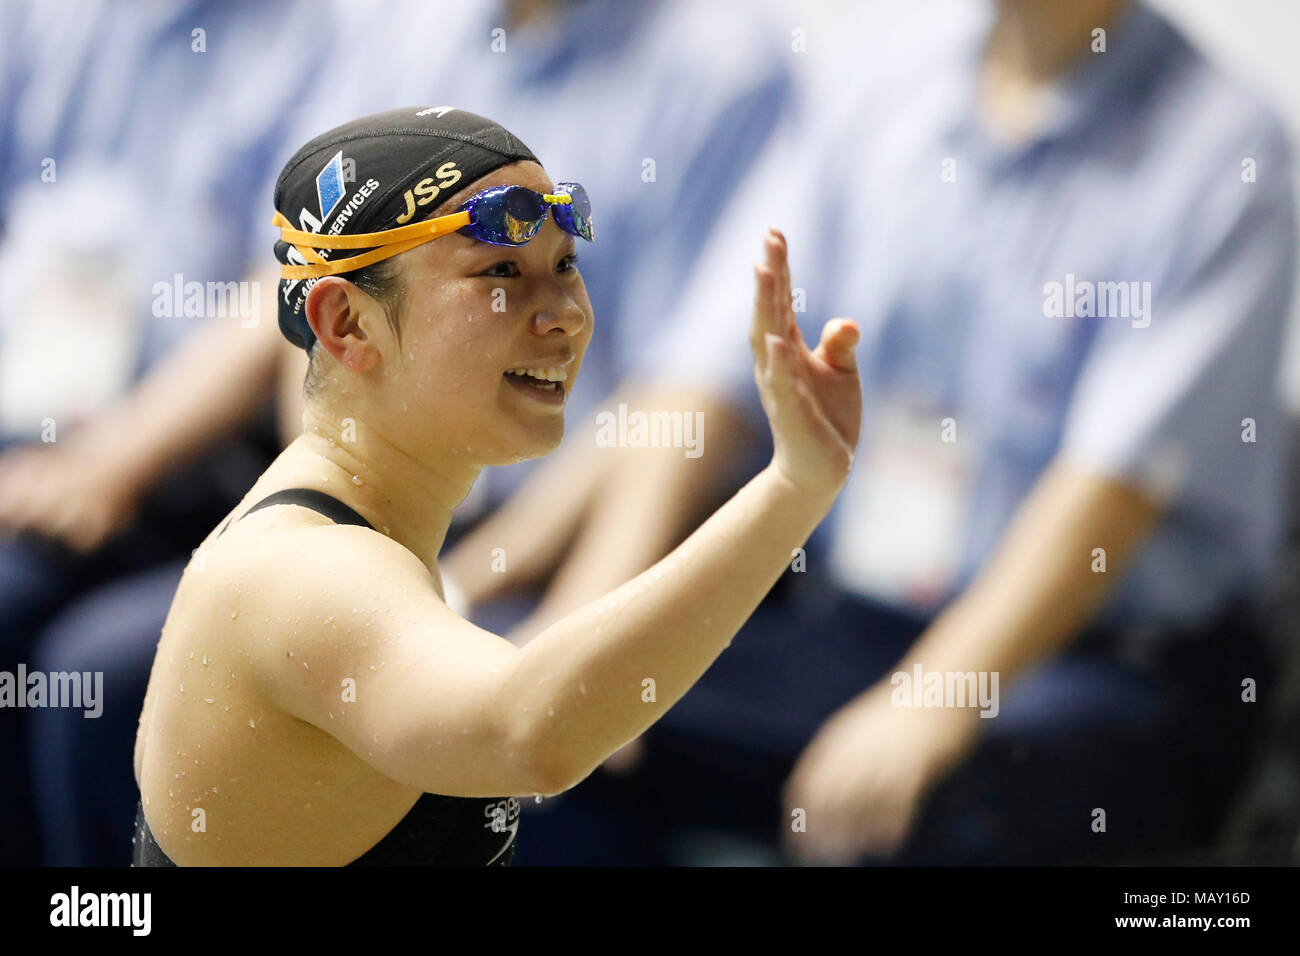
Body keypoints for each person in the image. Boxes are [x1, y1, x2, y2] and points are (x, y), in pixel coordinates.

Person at [496, 0, 1297, 865]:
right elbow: (712, 369)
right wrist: (589, 629)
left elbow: (1118, 479)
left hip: (1092, 651)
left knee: (958, 813)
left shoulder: (1226, 154)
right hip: (860, 616)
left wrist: (934, 699)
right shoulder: (882, 84)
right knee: (531, 746)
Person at [131, 106, 862, 865]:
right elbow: (528, 736)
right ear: (347, 323)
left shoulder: (366, 534)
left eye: (566, 266)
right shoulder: (307, 575)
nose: (567, 317)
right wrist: (793, 488)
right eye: (501, 273)